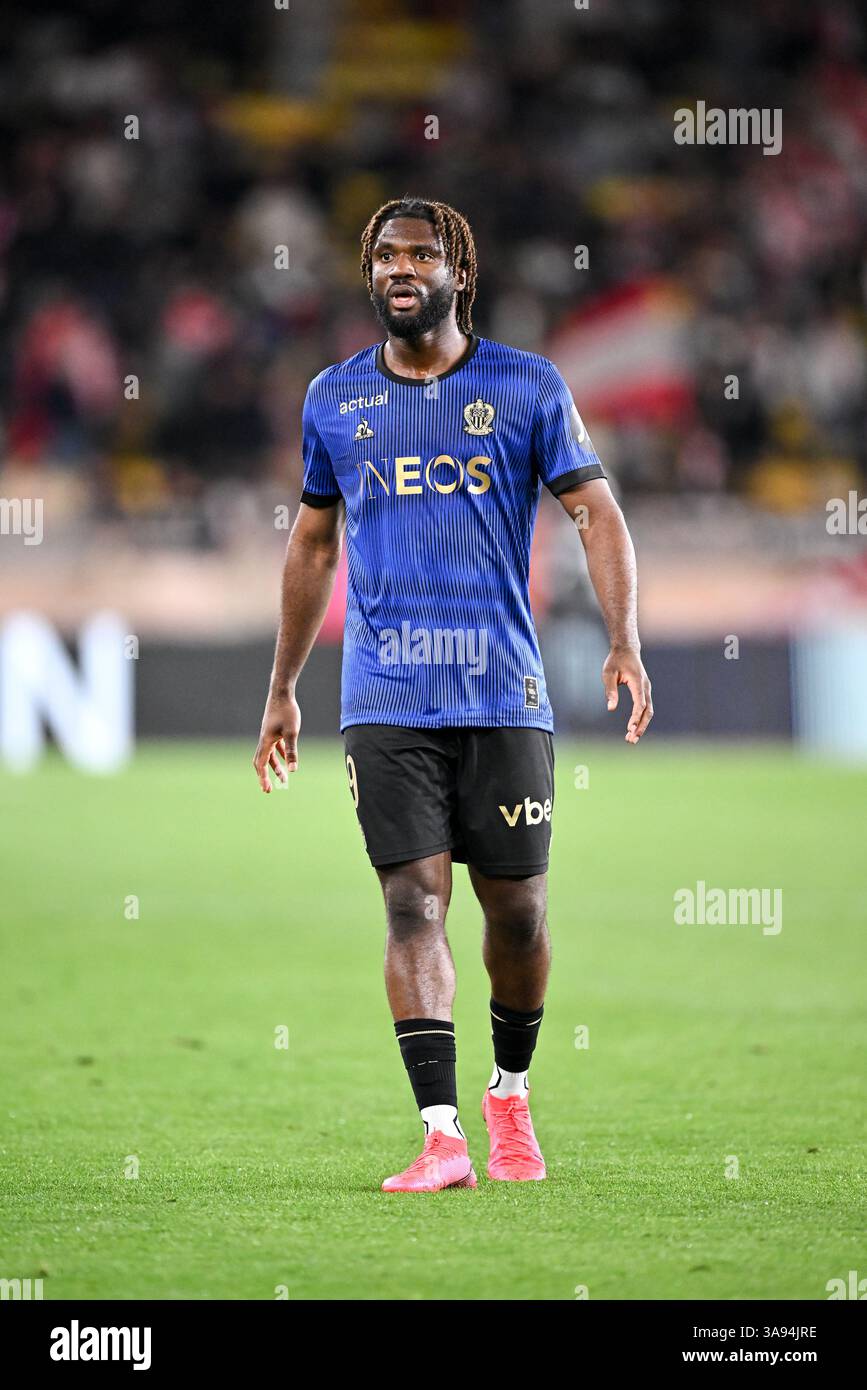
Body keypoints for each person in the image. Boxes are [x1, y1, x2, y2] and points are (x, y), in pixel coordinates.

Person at [254, 197, 653, 1193]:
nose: (401, 269)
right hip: (385, 694)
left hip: (503, 693)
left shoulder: (526, 387)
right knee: (409, 904)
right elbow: (310, 542)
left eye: (421, 255)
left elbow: (596, 513)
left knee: (515, 913)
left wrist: (623, 638)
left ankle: (508, 1093)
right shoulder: (334, 399)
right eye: (386, 255)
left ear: (457, 272)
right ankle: (441, 1135)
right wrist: (282, 689)